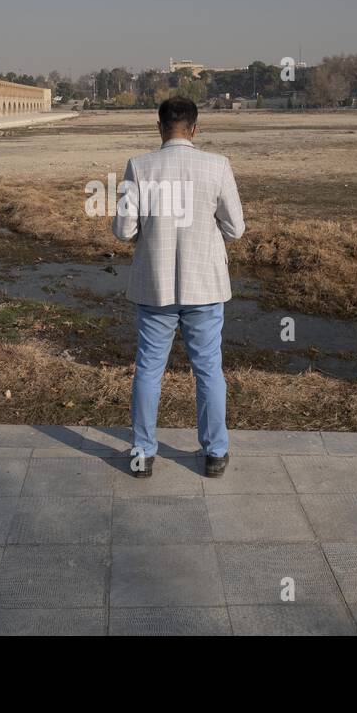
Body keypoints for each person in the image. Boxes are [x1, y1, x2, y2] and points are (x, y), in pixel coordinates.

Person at [112, 96, 245, 478]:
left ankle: (142, 453)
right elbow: (236, 228)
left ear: (159, 127)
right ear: (195, 128)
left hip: (155, 287)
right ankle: (215, 453)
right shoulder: (217, 166)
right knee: (208, 370)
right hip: (204, 286)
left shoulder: (139, 167)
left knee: (149, 370)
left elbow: (123, 230)